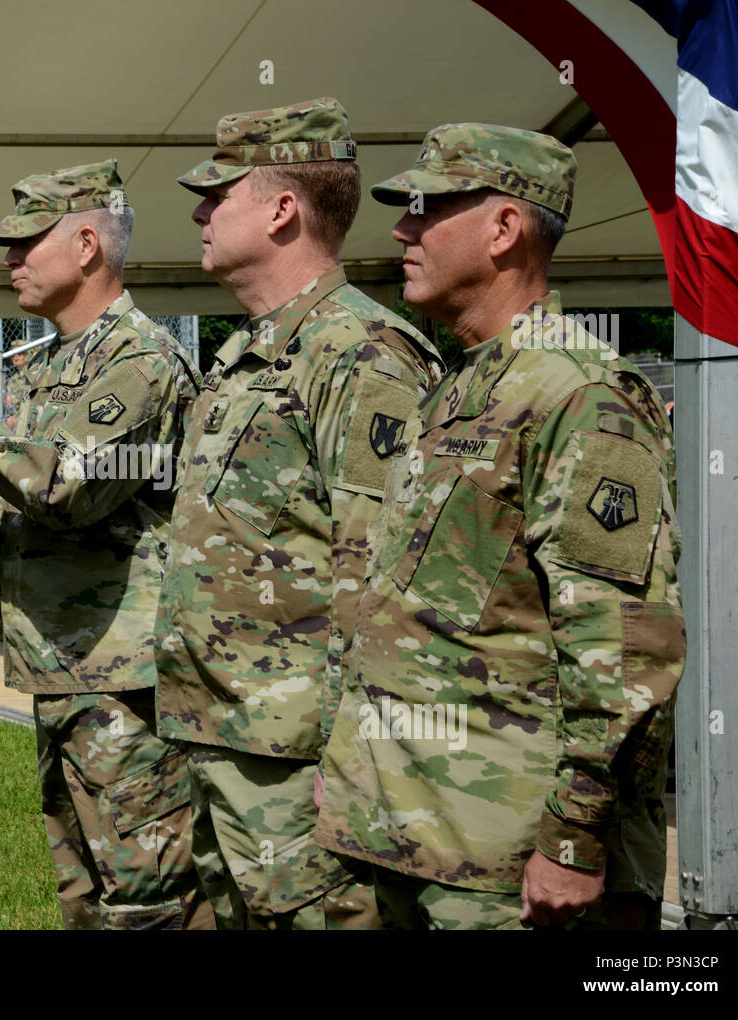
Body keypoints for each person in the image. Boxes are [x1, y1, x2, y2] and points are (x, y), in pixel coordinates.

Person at [314, 124, 685, 929]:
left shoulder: (579, 392)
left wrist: (577, 837)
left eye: (425, 209)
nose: (402, 230)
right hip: (414, 831)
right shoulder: (460, 388)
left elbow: (623, 643)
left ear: (505, 229)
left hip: (509, 859)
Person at [153, 97, 443, 930]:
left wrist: (359, 760)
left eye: (220, 194)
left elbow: (386, 572)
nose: (201, 212)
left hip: (302, 758)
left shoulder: (360, 352)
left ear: (283, 209)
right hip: (226, 738)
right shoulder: (252, 355)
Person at [0, 160, 209, 929]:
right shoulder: (52, 367)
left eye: (25, 242)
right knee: (84, 899)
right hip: (70, 678)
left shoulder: (140, 361)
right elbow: (42, 522)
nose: (10, 260)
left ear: (84, 245)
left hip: (127, 690)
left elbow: (65, 486)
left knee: (150, 906)